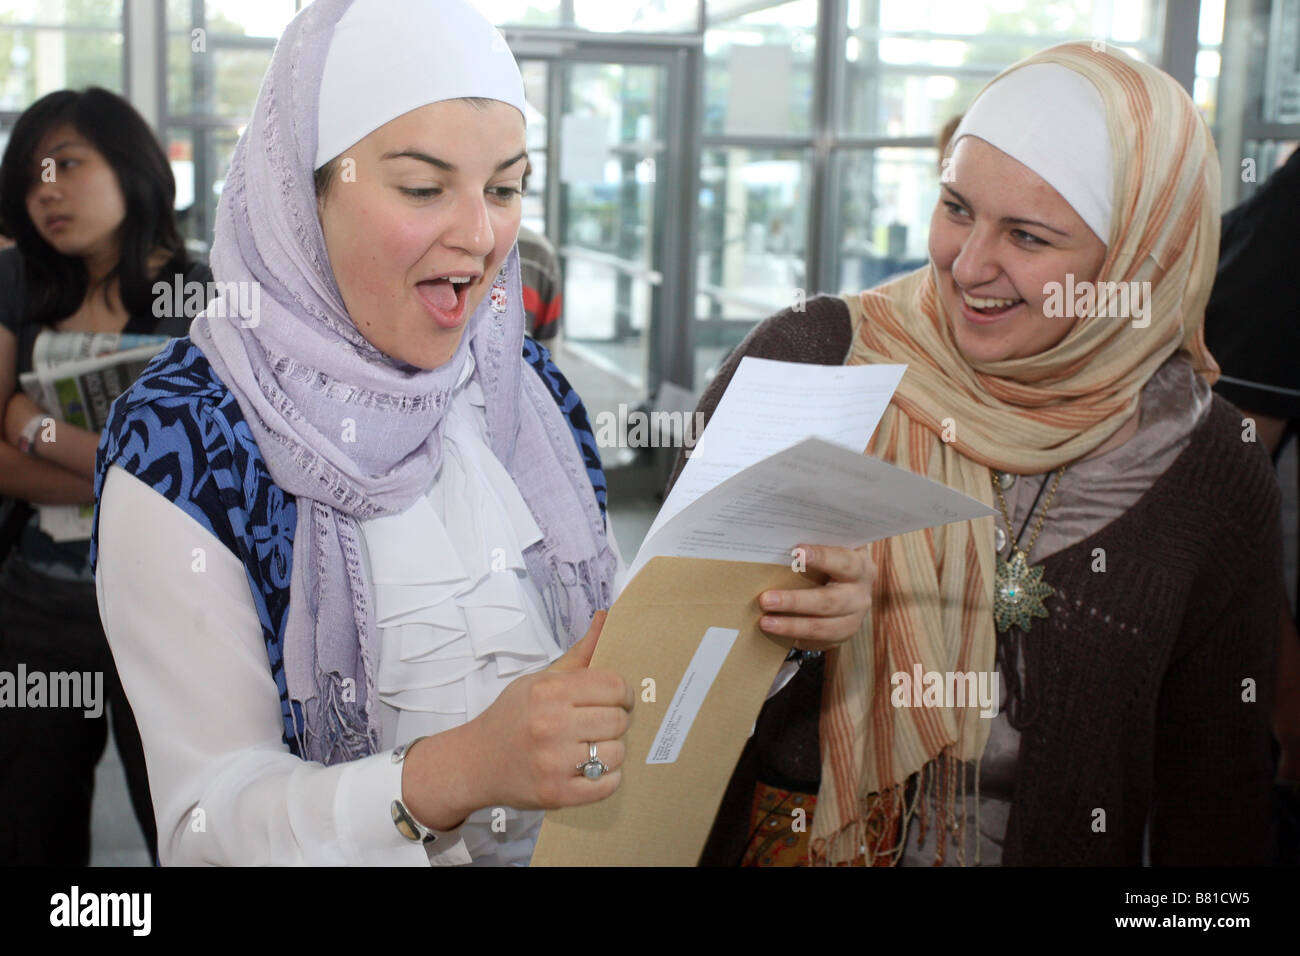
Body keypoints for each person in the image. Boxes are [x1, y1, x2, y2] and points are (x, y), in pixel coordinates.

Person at [91, 0, 874, 866]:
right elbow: (206, 822)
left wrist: (770, 624)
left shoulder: (522, 388)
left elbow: (611, 677)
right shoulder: (184, 438)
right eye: (424, 189)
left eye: (506, 188)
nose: (480, 234)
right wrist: (451, 774)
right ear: (300, 194)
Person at [683, 42, 1281, 866]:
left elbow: (1217, 789)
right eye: (956, 207)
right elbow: (652, 671)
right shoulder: (814, 361)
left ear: (1139, 258)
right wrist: (785, 639)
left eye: (1028, 236)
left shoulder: (1207, 464)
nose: (966, 267)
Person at [0, 87, 210, 864]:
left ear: (132, 166)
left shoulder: (203, 295)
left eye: (67, 164)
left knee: (185, 824)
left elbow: (192, 474)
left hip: (175, 607)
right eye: (30, 177)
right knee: (29, 825)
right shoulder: (23, 284)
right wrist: (118, 465)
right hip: (42, 604)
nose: (46, 189)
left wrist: (30, 423)